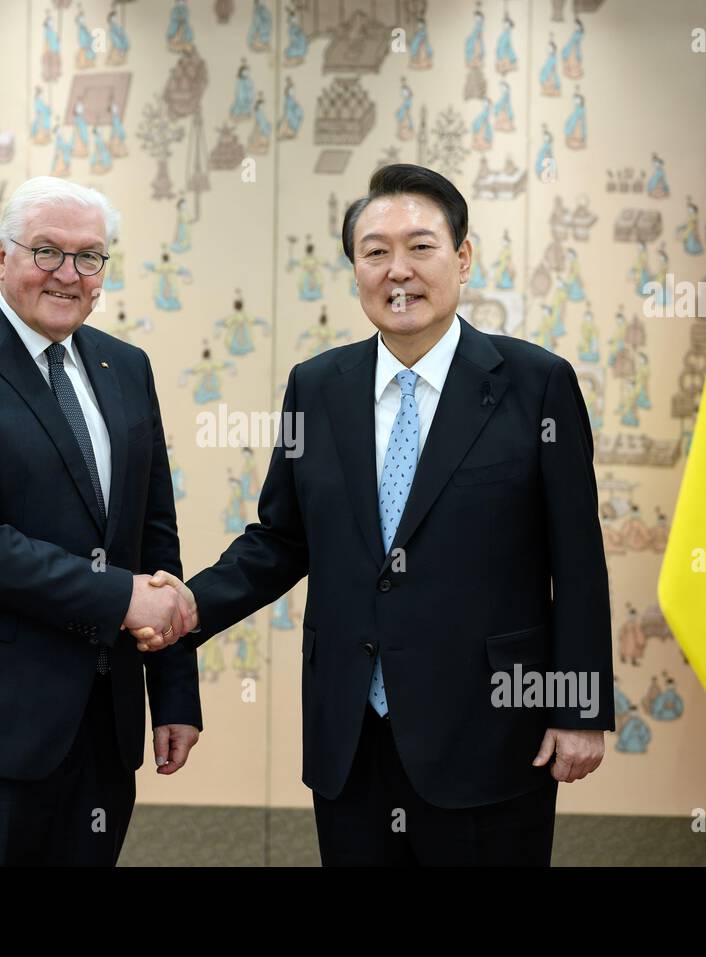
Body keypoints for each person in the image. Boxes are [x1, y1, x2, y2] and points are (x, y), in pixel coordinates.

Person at [138, 164, 613, 866]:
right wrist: (187, 605)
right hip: (351, 733)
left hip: (488, 731)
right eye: (375, 251)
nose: (399, 271)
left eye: (421, 246)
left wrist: (581, 708)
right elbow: (281, 539)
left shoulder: (536, 383)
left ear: (463, 257)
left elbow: (576, 559)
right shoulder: (317, 386)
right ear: (354, 268)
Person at [0, 177, 201, 866]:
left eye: (89, 257)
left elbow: (155, 538)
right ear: (0, 254)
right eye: (46, 250)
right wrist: (123, 597)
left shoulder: (125, 368)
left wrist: (174, 692)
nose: (67, 274)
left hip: (101, 730)